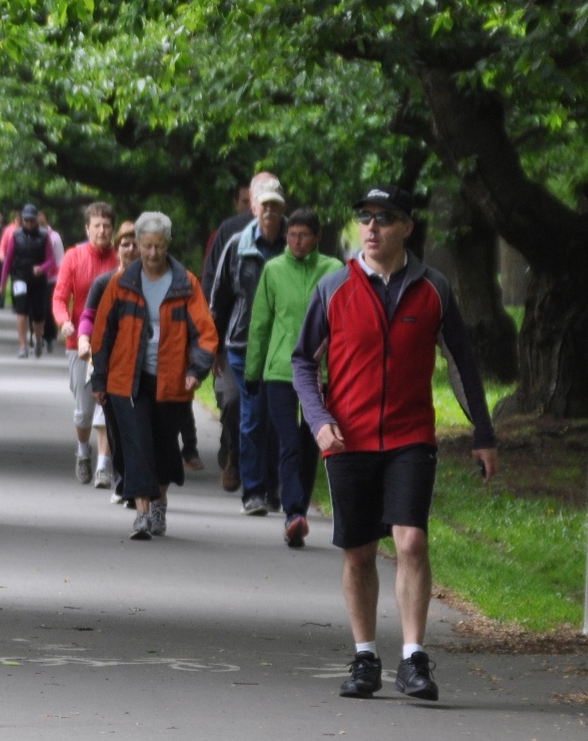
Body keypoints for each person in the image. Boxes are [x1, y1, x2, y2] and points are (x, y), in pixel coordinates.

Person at [291, 185, 498, 702]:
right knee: (359, 551)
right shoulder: (333, 287)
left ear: (407, 226)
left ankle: (412, 659)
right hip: (349, 438)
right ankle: (365, 657)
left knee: (411, 541)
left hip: (410, 436)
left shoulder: (433, 289)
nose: (372, 227)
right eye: (365, 217)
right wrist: (318, 419)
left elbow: (462, 363)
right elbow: (302, 362)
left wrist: (483, 433)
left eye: (385, 218)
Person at [91, 212, 218, 539]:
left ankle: (159, 506)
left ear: (168, 245)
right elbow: (102, 332)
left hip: (171, 379)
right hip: (126, 380)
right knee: (137, 445)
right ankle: (143, 515)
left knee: (163, 447)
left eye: (158, 247)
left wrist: (196, 369)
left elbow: (205, 333)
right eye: (146, 246)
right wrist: (100, 379)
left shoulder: (185, 283)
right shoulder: (121, 283)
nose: (151, 253)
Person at [245, 208, 342, 548]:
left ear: (316, 237)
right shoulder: (273, 270)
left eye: (304, 235)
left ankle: (296, 506)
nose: (297, 241)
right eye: (292, 235)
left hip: (321, 372)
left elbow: (344, 326)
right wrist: (252, 371)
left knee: (310, 442)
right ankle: (294, 513)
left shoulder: (334, 270)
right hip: (281, 372)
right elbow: (259, 324)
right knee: (288, 441)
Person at [210, 173, 288, 515]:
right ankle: (253, 491)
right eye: (265, 205)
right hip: (242, 344)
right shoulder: (237, 245)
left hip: (283, 345)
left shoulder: (294, 243)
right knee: (252, 416)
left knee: (278, 419)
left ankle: (273, 486)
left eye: (276, 205)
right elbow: (220, 298)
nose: (270, 212)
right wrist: (212, 346)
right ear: (255, 208)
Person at [52, 201, 118, 487]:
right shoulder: (74, 257)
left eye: (107, 226)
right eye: (97, 226)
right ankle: (83, 451)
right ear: (87, 228)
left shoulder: (120, 259)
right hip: (78, 343)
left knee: (107, 403)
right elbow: (58, 297)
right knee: (84, 412)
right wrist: (64, 320)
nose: (102, 231)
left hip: (113, 343)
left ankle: (104, 466)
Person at [78, 221, 138, 503]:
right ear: (117, 249)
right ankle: (123, 480)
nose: (131, 248)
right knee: (115, 426)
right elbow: (88, 317)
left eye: (136, 242)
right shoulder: (104, 283)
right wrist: (84, 340)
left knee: (141, 425)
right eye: (125, 243)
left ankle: (138, 485)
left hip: (143, 365)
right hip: (112, 365)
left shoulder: (154, 283)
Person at [201, 182, 255, 493]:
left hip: (272, 343)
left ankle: (263, 474)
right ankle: (233, 451)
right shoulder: (229, 233)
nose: (253, 207)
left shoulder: (289, 235)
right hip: (232, 339)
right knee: (232, 401)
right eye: (247, 200)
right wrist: (212, 341)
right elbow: (212, 287)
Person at [0, 204, 52, 358]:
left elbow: (51, 260)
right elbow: (8, 260)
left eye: (31, 221)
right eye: (26, 220)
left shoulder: (44, 236)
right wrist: (2, 283)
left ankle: (37, 339)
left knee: (38, 314)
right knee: (21, 311)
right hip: (20, 277)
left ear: (36, 220)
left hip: (38, 280)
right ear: (22, 220)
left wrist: (42, 268)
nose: (28, 224)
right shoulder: (16, 236)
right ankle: (22, 345)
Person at [38, 209, 66, 353]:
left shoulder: (54, 237)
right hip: (36, 277)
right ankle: (37, 335)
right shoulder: (31, 236)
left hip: (51, 278)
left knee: (48, 309)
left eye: (40, 215)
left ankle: (49, 336)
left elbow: (60, 259)